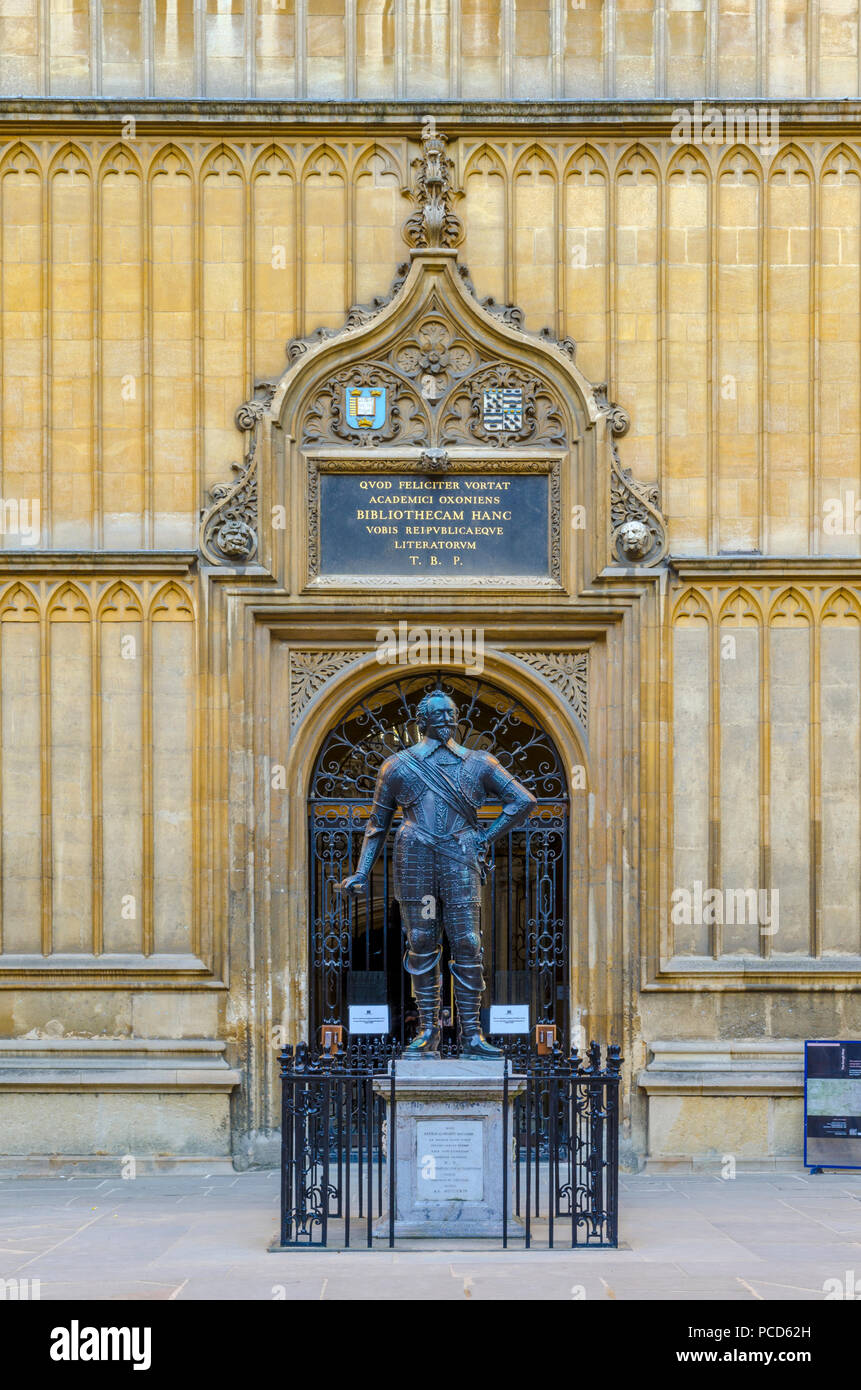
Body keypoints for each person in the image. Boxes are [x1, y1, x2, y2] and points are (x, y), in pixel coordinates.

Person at [339, 690, 535, 1057]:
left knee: (468, 942)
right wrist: (362, 872)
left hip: (459, 856)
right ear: (422, 720)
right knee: (422, 939)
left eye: (451, 713)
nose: (446, 719)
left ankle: (471, 1034)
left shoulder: (479, 762)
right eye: (438, 714)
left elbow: (523, 800)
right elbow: (377, 825)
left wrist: (485, 837)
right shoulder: (397, 765)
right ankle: (428, 1029)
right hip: (415, 855)